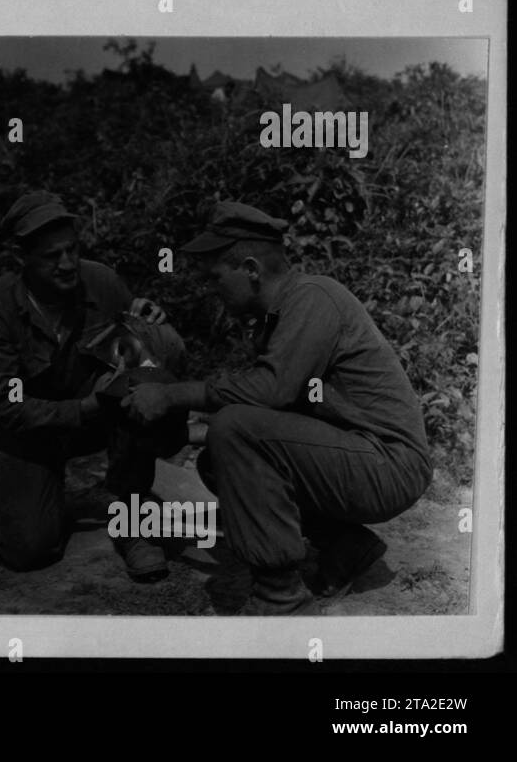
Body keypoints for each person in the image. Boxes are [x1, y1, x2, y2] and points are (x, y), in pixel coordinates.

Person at [122, 202, 433, 614]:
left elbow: (270, 392)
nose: (212, 289)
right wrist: (186, 432)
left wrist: (171, 394)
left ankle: (280, 598)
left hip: (390, 465)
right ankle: (345, 546)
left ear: (250, 269)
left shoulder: (313, 298)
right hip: (362, 454)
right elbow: (279, 416)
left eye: (216, 277)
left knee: (233, 429)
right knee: (219, 457)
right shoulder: (281, 313)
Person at [0, 191, 186, 581]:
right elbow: (5, 408)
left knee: (149, 368)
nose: (68, 264)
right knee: (28, 549)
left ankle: (134, 518)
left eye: (72, 250)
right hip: (32, 431)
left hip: (101, 416)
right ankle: (38, 502)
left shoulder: (100, 281)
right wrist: (85, 407)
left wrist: (150, 325)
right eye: (52, 256)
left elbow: (141, 363)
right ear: (22, 259)